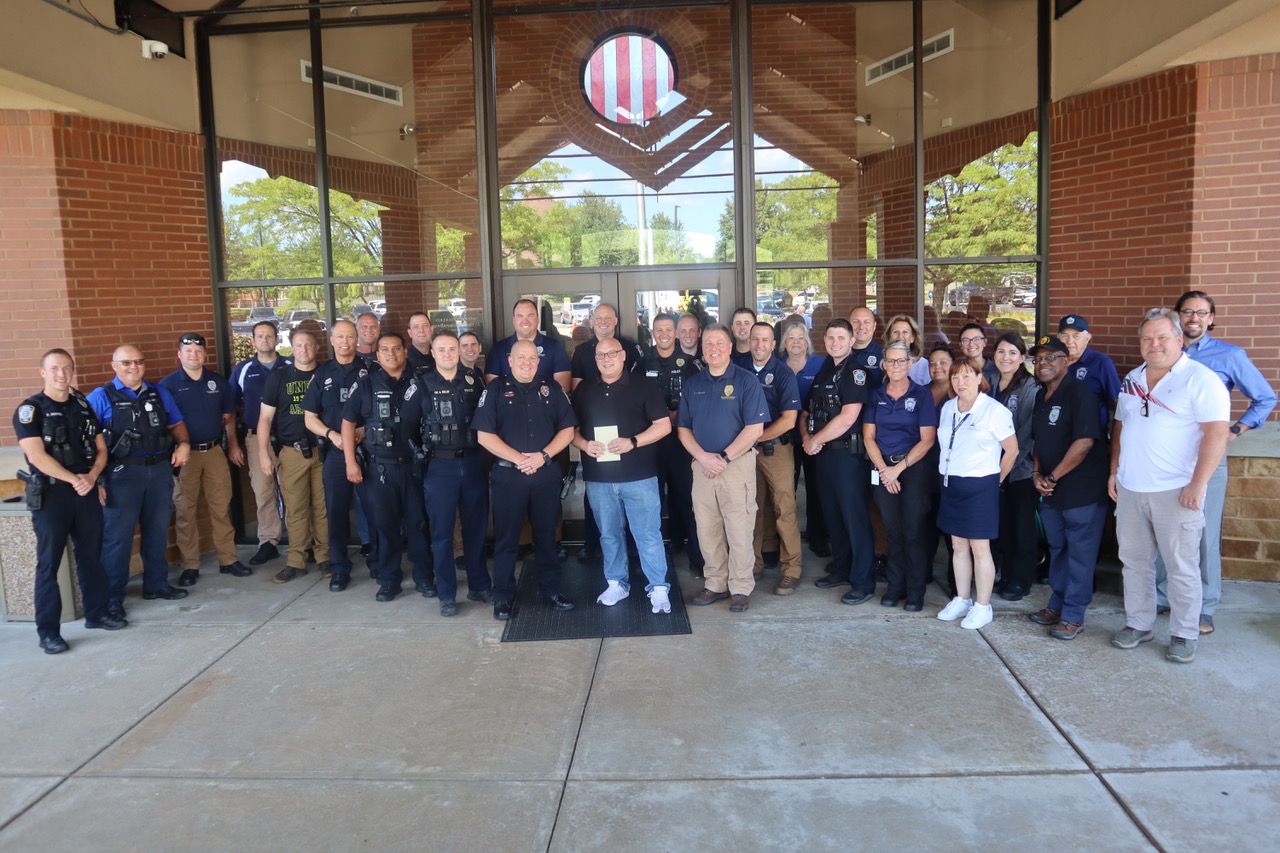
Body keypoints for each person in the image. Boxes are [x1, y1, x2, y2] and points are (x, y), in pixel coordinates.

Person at [1109, 308, 1229, 664]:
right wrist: (1114, 469)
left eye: (1162, 337)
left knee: (1181, 565)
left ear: (1179, 339)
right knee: (1134, 561)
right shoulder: (1132, 378)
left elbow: (1216, 434)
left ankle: (1183, 632)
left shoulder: (1200, 379)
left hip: (1177, 490)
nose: (1154, 344)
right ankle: (1139, 623)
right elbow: (1121, 426)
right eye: (1147, 338)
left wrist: (1198, 483)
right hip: (1131, 488)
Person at [1156, 291, 1277, 634]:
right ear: (1177, 316)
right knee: (1165, 528)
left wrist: (1235, 430)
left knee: (1204, 532)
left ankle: (1204, 606)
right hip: (1164, 459)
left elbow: (1265, 398)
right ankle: (1163, 597)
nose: (1193, 317)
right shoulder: (1164, 352)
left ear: (1211, 318)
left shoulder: (1229, 355)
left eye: (1201, 313)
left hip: (1206, 460)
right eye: (1187, 311)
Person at [14, 349, 123, 654]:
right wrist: (73, 479)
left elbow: (101, 448)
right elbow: (35, 456)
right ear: (43, 373)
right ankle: (48, 631)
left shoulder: (82, 405)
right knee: (48, 563)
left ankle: (98, 613)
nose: (62, 374)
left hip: (85, 489)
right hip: (52, 495)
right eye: (55, 369)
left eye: (67, 368)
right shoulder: (30, 410)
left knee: (92, 555)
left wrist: (93, 477)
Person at [473, 339, 578, 620]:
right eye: (521, 358)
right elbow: (484, 436)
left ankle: (552, 590)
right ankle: (503, 597)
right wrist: (520, 459)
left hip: (545, 474)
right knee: (507, 540)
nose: (527, 363)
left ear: (539, 361)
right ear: (510, 360)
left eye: (532, 358)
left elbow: (568, 430)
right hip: (509, 475)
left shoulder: (552, 389)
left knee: (547, 537)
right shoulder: (494, 391)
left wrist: (542, 456)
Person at [571, 337, 673, 613]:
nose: (606, 359)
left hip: (639, 476)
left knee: (647, 534)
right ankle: (616, 582)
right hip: (599, 478)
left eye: (612, 353)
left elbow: (663, 426)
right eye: (601, 355)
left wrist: (634, 442)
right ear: (595, 360)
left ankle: (659, 588)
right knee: (609, 534)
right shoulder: (584, 390)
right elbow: (571, 431)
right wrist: (583, 444)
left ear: (623, 356)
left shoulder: (643, 386)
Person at [88, 344, 191, 615]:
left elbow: (176, 423)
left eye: (138, 362)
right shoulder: (100, 397)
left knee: (157, 531)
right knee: (117, 538)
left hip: (158, 471)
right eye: (126, 363)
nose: (133, 367)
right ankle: (111, 597)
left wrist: (183, 444)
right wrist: (96, 479)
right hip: (120, 475)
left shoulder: (158, 393)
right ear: (114, 366)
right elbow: (86, 441)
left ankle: (156, 584)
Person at [678, 324, 768, 612]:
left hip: (736, 466)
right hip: (702, 467)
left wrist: (724, 458)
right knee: (707, 528)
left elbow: (755, 428)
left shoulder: (746, 381)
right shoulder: (693, 384)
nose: (713, 348)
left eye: (719, 343)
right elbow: (683, 430)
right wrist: (704, 458)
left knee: (739, 527)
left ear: (730, 347)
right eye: (708, 344)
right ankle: (715, 582)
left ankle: (740, 586)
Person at [1027, 336, 1109, 640]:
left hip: (1081, 490)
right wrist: (1037, 473)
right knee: (1058, 549)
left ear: (1067, 361)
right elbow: (1039, 441)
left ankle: (1074, 615)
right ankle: (1057, 604)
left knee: (1080, 554)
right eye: (1038, 359)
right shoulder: (1040, 395)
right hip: (1051, 489)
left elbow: (1084, 442)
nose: (1043, 364)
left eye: (1051, 358)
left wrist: (1053, 476)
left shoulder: (1080, 393)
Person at [342, 332, 434, 602]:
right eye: (385, 350)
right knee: (384, 527)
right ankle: (389, 580)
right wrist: (350, 462)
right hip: (378, 470)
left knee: (418, 525)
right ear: (377, 354)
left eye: (396, 349)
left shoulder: (420, 382)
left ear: (405, 351)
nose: (391, 354)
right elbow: (347, 423)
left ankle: (424, 578)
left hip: (414, 468)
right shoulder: (366, 384)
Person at [160, 333, 249, 587]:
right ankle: (190, 565)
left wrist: (233, 446)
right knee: (185, 511)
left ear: (205, 354)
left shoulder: (218, 383)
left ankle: (228, 559)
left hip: (213, 452)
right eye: (188, 351)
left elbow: (229, 417)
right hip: (185, 456)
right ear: (179, 355)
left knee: (221, 507)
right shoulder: (168, 386)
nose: (194, 355)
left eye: (198, 351)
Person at [934, 359, 1018, 630]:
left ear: (979, 377)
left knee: (980, 548)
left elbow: (1012, 450)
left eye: (967, 376)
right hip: (952, 483)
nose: (961, 382)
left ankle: (983, 606)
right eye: (956, 377)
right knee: (958, 546)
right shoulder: (948, 408)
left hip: (981, 485)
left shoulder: (994, 410)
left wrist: (996, 481)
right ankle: (962, 598)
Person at [800, 319, 875, 605]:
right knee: (833, 516)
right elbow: (807, 411)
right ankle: (841, 569)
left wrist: (814, 440)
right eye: (830, 337)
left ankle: (863, 581)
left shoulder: (856, 372)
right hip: (824, 455)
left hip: (847, 457)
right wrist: (808, 437)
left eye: (840, 337)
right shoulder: (825, 369)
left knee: (854, 519)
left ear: (852, 339)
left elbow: (848, 417)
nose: (835, 342)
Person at [418, 332, 492, 616]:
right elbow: (410, 425)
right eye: (442, 349)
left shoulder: (475, 381)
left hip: (472, 462)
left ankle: (479, 584)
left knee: (476, 529)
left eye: (452, 349)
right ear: (433, 353)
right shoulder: (422, 385)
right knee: (442, 534)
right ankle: (447, 593)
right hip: (440, 467)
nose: (448, 354)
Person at [862, 340, 938, 611]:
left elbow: (927, 440)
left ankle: (915, 593)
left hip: (913, 469)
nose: (895, 366)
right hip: (883, 470)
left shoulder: (921, 395)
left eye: (900, 361)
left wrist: (898, 468)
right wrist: (884, 470)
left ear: (909, 363)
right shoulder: (876, 395)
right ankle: (895, 587)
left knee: (913, 531)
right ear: (883, 364)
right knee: (892, 531)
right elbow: (868, 437)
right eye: (890, 361)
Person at [570, 302, 646, 561]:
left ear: (616, 320)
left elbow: (638, 385)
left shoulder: (630, 348)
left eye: (607, 317)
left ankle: (634, 547)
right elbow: (577, 390)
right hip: (594, 432)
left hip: (627, 431)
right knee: (597, 492)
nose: (602, 321)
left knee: (630, 490)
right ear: (591, 321)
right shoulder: (581, 352)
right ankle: (591, 543)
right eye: (598, 317)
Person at [301, 319, 368, 592]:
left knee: (374, 510)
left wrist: (363, 429)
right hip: (335, 453)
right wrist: (332, 435)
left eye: (350, 337)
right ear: (331, 340)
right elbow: (309, 418)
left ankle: (378, 561)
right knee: (336, 512)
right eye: (340, 337)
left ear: (357, 339)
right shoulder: (322, 374)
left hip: (368, 450)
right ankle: (340, 567)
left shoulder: (369, 369)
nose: (345, 342)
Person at [258, 328, 326, 583]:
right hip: (291, 452)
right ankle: (296, 560)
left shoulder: (325, 374)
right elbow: (265, 419)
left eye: (308, 345)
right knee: (296, 509)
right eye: (299, 345)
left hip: (322, 450)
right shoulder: (279, 377)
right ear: (291, 348)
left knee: (322, 507)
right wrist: (264, 454)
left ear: (316, 348)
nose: (304, 350)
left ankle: (325, 557)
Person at [641, 312, 705, 577]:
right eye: (659, 330)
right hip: (650, 446)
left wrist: (669, 418)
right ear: (653, 333)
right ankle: (654, 561)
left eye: (669, 329)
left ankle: (697, 559)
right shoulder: (642, 363)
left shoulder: (692, 364)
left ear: (677, 333)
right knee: (651, 502)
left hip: (682, 443)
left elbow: (698, 404)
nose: (664, 334)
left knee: (688, 500)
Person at [746, 322, 803, 595]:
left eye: (765, 340)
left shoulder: (783, 373)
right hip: (745, 452)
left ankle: (791, 569)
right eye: (755, 339)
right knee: (751, 509)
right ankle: (753, 564)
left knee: (784, 508)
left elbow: (790, 420)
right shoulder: (739, 368)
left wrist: (757, 438)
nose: (759, 344)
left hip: (776, 449)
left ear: (772, 344)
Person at [231, 321, 287, 566]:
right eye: (260, 336)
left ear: (277, 339)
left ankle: (301, 540)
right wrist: (233, 443)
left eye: (269, 336)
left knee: (294, 490)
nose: (265, 340)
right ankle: (268, 541)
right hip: (256, 438)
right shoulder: (243, 370)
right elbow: (230, 409)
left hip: (288, 437)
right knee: (263, 490)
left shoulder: (290, 365)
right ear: (253, 341)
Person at [989, 333, 1039, 602]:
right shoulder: (992, 382)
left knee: (1021, 527)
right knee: (1002, 526)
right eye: (1001, 352)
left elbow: (1026, 435)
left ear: (1022, 357)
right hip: (992, 469)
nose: (1005, 357)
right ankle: (1005, 576)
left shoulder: (1030, 387)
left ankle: (1020, 581)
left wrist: (1004, 468)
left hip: (1018, 471)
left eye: (1012, 353)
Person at [485, 298, 571, 392]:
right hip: (508, 405)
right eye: (520, 316)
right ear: (513, 320)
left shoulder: (555, 347)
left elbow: (563, 388)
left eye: (530, 315)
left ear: (537, 319)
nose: (525, 321)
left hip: (544, 405)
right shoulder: (498, 349)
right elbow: (492, 389)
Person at [1056, 314, 1120, 434]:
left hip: (1091, 436)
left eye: (1076, 336)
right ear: (1058, 337)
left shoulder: (1101, 363)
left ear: (1087, 337)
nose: (1070, 341)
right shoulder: (1054, 362)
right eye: (1065, 335)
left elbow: (1117, 401)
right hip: (1058, 433)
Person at [884, 314, 931, 386]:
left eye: (905, 332)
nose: (900, 337)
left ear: (912, 337)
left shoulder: (923, 365)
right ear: (889, 337)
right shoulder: (882, 362)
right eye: (895, 332)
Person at [848, 306, 885, 387]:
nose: (861, 327)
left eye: (867, 322)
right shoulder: (839, 354)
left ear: (874, 326)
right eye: (856, 322)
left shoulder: (884, 355)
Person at [957, 322, 999, 389]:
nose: (971, 344)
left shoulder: (997, 370)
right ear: (960, 345)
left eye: (976, 339)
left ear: (984, 342)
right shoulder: (957, 369)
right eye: (966, 340)